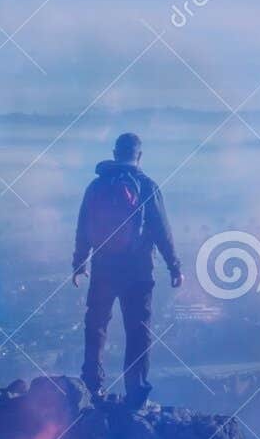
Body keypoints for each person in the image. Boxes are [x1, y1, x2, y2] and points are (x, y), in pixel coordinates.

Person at [72, 133, 182, 405]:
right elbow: (161, 231)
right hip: (139, 271)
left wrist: (79, 263)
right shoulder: (147, 186)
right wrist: (174, 266)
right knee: (138, 329)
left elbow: (83, 227)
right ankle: (136, 392)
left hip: (104, 268)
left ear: (114, 152)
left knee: (96, 325)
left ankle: (92, 386)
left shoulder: (96, 187)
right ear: (139, 156)